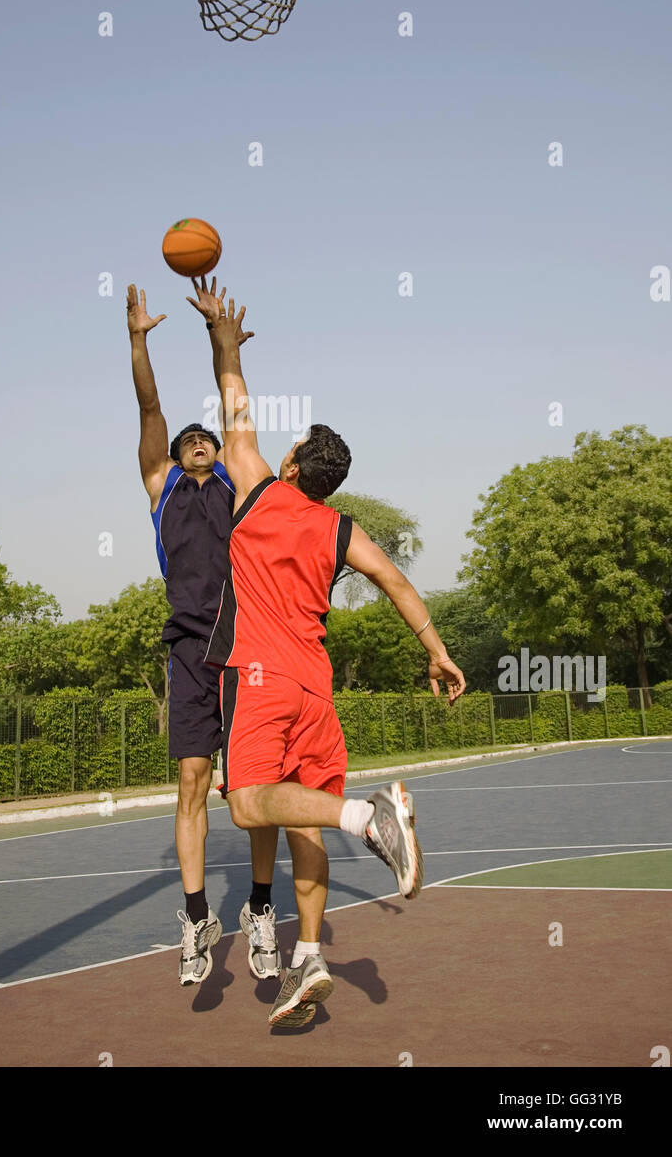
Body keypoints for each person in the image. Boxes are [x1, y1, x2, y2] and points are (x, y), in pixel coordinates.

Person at [189, 281, 466, 1027]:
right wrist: (437, 652)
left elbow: (234, 405)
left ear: (290, 462)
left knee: (250, 805)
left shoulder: (256, 492)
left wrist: (222, 336)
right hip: (317, 690)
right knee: (299, 822)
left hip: (260, 675)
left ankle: (369, 818)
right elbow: (397, 582)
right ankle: (309, 958)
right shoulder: (341, 530)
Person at [127, 282, 280, 987]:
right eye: (186, 439)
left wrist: (221, 341)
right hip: (188, 651)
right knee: (193, 779)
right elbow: (150, 408)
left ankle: (259, 907)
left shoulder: (235, 486)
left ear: (216, 453)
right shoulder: (160, 487)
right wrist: (140, 340)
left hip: (244, 646)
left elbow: (235, 409)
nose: (194, 440)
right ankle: (195, 918)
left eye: (204, 439)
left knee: (252, 787)